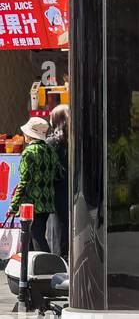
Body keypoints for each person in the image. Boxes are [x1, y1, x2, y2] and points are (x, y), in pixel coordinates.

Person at [10, 116, 61, 252]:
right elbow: (59, 174)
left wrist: (13, 206)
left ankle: (48, 268)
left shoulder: (29, 153)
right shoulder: (50, 150)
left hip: (31, 204)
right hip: (47, 202)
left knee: (37, 238)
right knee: (34, 237)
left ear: (30, 135)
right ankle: (31, 269)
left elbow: (24, 182)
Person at [46, 104, 70, 259]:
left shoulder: (51, 143)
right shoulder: (75, 141)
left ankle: (58, 258)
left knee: (56, 225)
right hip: (71, 187)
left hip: (55, 188)